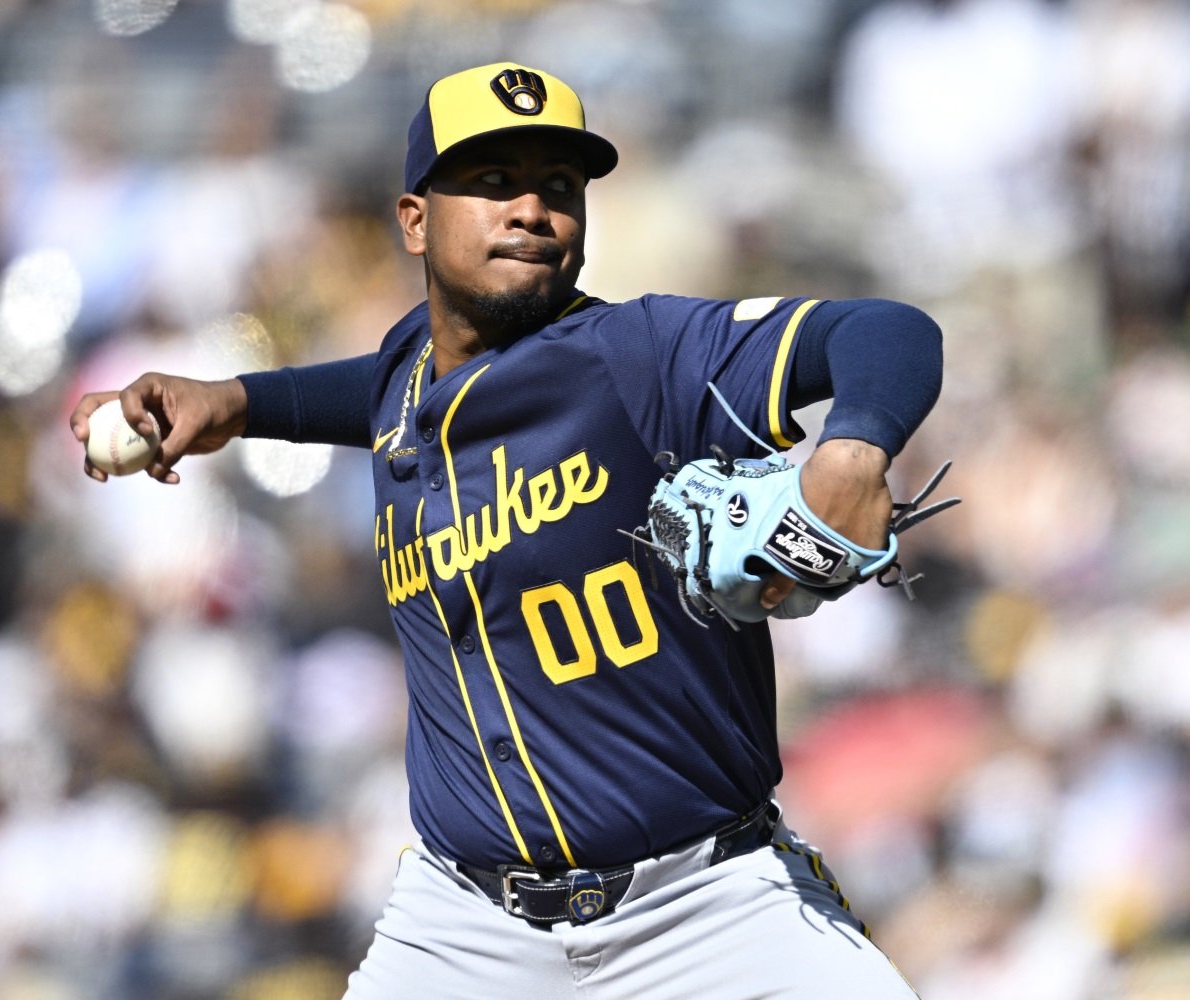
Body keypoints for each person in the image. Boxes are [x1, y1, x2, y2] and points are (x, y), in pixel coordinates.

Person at [70, 62, 942, 997]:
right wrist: (239, 401)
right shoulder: (404, 375)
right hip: (465, 930)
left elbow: (886, 332)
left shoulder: (640, 355)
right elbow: (369, 395)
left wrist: (853, 449)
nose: (531, 209)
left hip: (707, 907)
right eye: (492, 183)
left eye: (558, 188)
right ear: (414, 219)